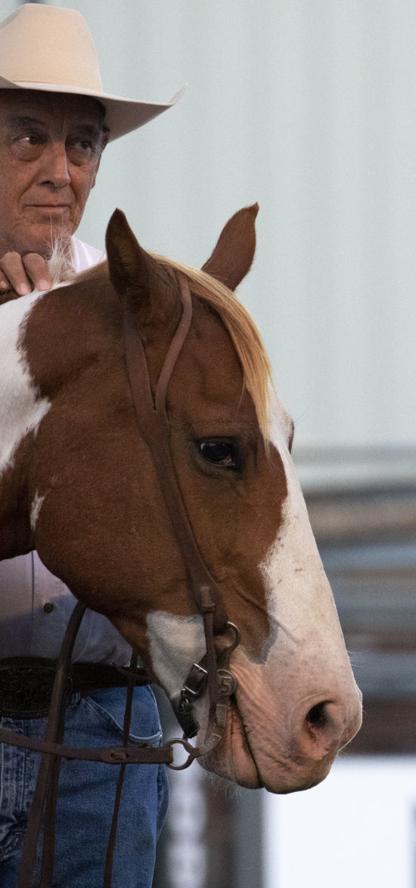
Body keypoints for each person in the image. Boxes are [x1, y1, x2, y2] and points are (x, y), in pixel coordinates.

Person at [0, 5, 180, 887]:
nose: (59, 171)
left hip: (107, 720)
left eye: (82, 145)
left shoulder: (141, 323)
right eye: (28, 138)